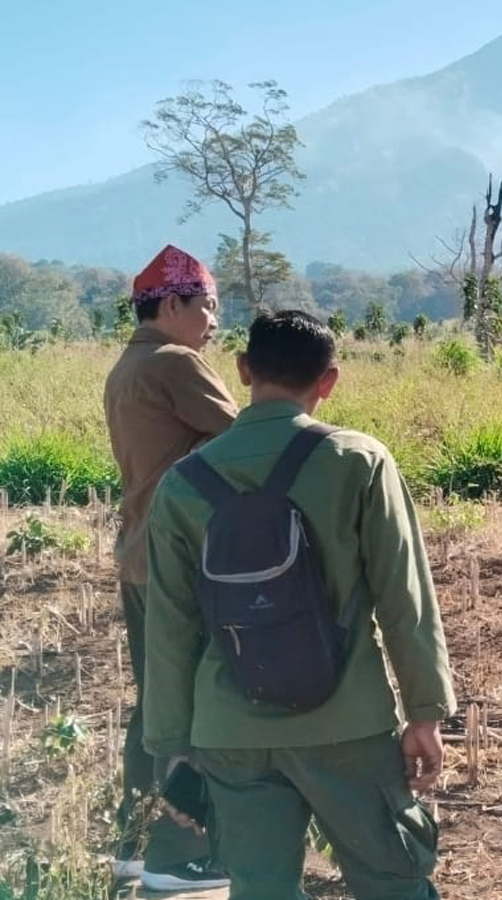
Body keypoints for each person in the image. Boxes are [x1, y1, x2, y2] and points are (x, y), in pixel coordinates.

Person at [142, 310, 457, 900]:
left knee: (260, 887)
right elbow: (404, 598)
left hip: (228, 730)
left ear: (242, 371)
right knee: (393, 880)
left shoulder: (182, 484)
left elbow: (169, 627)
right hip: (348, 721)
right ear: (329, 380)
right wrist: (425, 712)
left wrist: (171, 745)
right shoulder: (358, 461)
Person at [103, 244, 237, 890]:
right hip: (179, 559)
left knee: (153, 703)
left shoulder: (126, 368)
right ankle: (176, 854)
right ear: (174, 304)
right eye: (208, 305)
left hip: (137, 557)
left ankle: (133, 842)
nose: (215, 320)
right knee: (192, 704)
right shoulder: (177, 365)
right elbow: (249, 436)